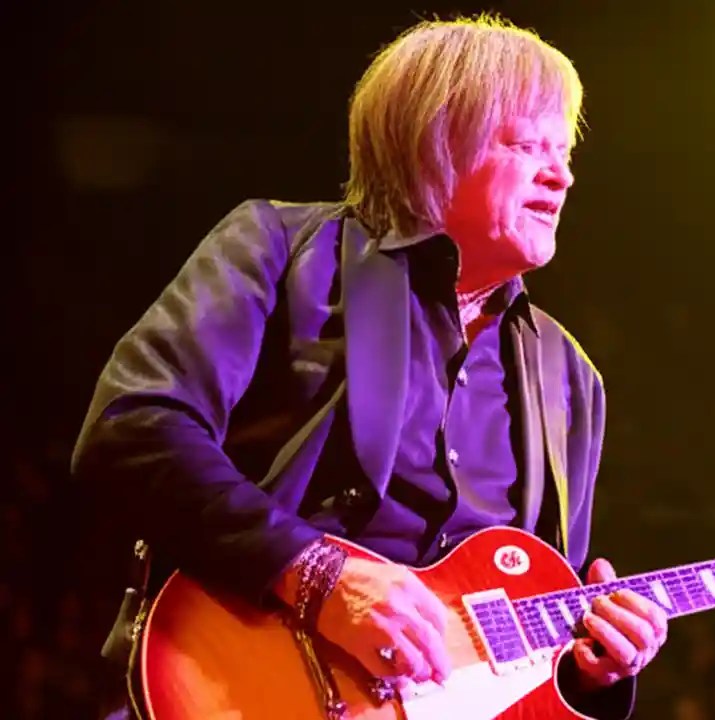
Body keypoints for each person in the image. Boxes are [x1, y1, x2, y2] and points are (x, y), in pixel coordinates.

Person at [71, 14, 667, 720]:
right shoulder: (278, 248)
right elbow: (131, 428)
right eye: (528, 143)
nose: (561, 174)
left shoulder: (570, 377)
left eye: (565, 151)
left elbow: (525, 644)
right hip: (233, 691)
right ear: (438, 139)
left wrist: (593, 666)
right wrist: (315, 574)